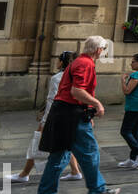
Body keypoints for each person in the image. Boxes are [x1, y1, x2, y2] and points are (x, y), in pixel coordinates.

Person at [34, 35, 120, 194]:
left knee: (59, 156)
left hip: (62, 113)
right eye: (103, 49)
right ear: (98, 50)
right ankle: (97, 191)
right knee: (89, 152)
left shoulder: (79, 61)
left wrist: (88, 110)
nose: (103, 52)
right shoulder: (86, 63)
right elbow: (77, 91)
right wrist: (96, 104)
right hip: (71, 115)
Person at [10, 51, 83, 184]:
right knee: (66, 145)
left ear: (62, 62)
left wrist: (44, 121)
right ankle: (75, 171)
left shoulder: (58, 78)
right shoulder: (75, 76)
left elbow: (53, 101)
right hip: (70, 117)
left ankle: (24, 174)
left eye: (58, 60)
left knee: (37, 143)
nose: (56, 62)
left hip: (54, 118)